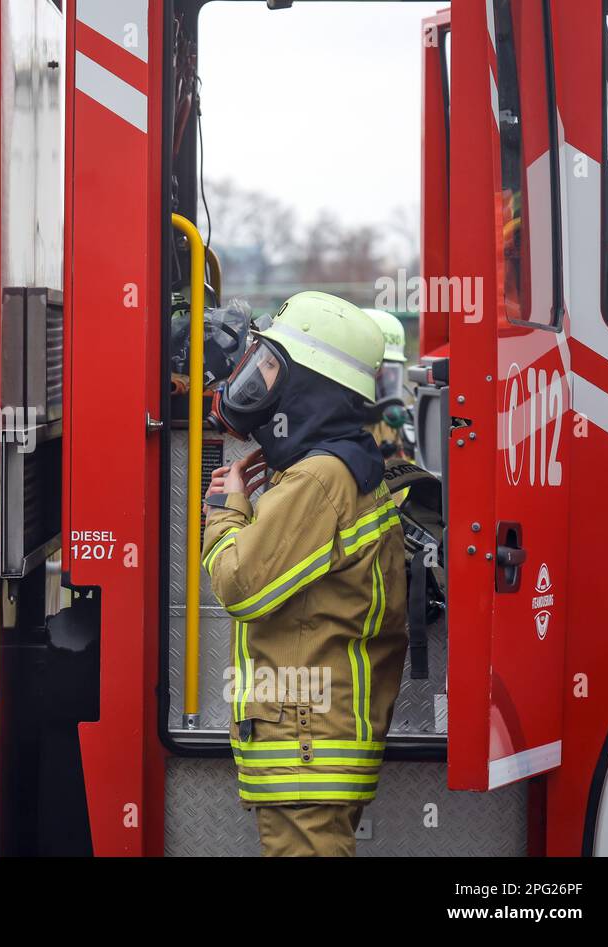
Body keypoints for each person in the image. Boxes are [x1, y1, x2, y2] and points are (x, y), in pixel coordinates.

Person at [202, 291, 408, 857]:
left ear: (309, 385)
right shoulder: (339, 465)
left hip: (305, 746)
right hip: (310, 742)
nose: (258, 381)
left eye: (272, 368)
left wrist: (227, 508)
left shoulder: (319, 479)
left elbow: (238, 586)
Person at [361, 308, 411, 460]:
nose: (389, 376)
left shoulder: (399, 427)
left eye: (393, 369)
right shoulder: (332, 427)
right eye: (380, 369)